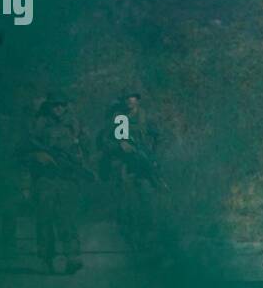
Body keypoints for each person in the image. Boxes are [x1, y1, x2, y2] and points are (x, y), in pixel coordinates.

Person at [21, 91, 90, 274]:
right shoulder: (39, 124)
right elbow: (21, 152)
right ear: (49, 106)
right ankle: (45, 258)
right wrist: (37, 155)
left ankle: (72, 257)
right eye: (55, 105)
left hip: (67, 178)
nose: (58, 108)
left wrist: (80, 161)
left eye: (62, 104)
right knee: (44, 219)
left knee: (67, 218)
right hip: (44, 179)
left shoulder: (75, 123)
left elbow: (86, 147)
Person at [99, 91, 161, 253]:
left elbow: (158, 138)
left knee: (147, 202)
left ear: (138, 101)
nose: (130, 101)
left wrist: (152, 157)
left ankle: (148, 239)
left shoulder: (145, 118)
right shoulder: (117, 118)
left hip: (142, 166)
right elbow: (104, 142)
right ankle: (130, 239)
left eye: (133, 98)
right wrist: (119, 146)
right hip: (123, 165)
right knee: (126, 204)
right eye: (127, 98)